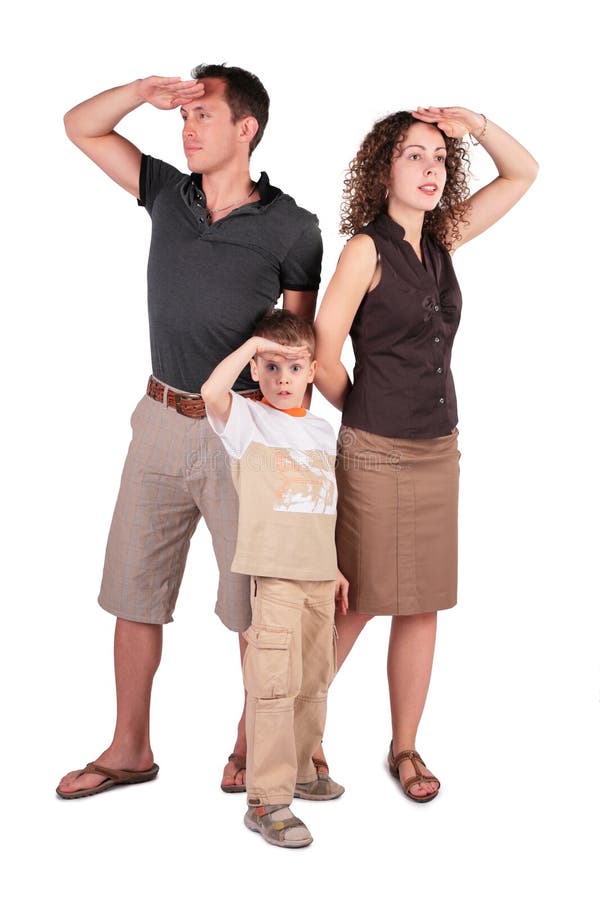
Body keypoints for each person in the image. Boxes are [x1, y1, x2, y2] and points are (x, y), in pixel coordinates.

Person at [56, 64, 324, 799]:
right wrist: (139, 93)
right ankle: (129, 747)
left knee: (250, 608)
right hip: (156, 420)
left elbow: (296, 346)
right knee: (133, 594)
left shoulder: (293, 229)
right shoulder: (168, 194)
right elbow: (82, 126)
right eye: (184, 117)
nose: (187, 128)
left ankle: (252, 741)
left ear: (247, 129)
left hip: (240, 430)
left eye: (203, 115)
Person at [313, 107, 538, 801]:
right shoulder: (364, 250)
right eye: (414, 155)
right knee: (359, 602)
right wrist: (368, 413)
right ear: (385, 170)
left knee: (421, 604)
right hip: (377, 450)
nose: (431, 168)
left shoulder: (441, 241)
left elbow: (523, 172)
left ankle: (405, 747)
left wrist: (477, 123)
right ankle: (294, 735)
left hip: (440, 449)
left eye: (440, 157)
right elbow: (322, 356)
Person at [201, 310, 348, 847]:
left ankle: (303, 771)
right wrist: (253, 343)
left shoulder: (321, 429)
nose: (283, 378)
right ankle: (267, 799)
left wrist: (333, 567)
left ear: (312, 370)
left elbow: (325, 503)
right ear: (257, 370)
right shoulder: (245, 420)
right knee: (273, 688)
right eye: (271, 366)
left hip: (317, 576)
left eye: (294, 366)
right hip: (277, 579)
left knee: (314, 684)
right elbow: (210, 389)